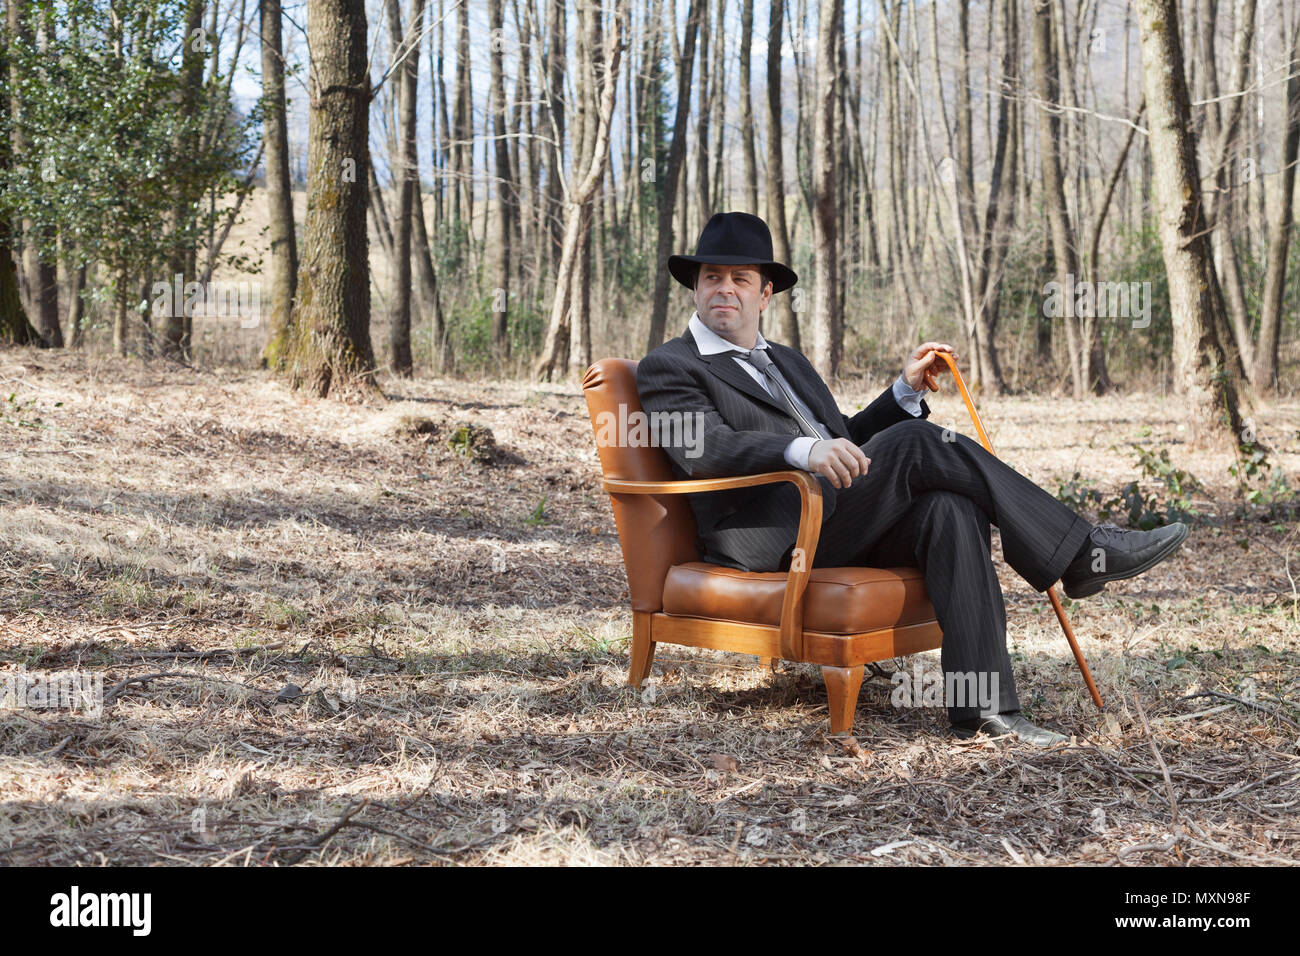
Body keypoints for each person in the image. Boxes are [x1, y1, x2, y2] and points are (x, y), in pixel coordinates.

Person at [636, 211, 1187, 746]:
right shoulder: (671, 365)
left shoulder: (788, 361)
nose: (724, 289)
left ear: (765, 293)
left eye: (740, 278)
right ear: (695, 288)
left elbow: (843, 435)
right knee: (918, 443)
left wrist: (904, 393)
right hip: (775, 533)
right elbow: (701, 447)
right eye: (712, 277)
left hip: (838, 514)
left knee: (948, 505)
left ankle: (986, 709)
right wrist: (803, 448)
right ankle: (1080, 552)